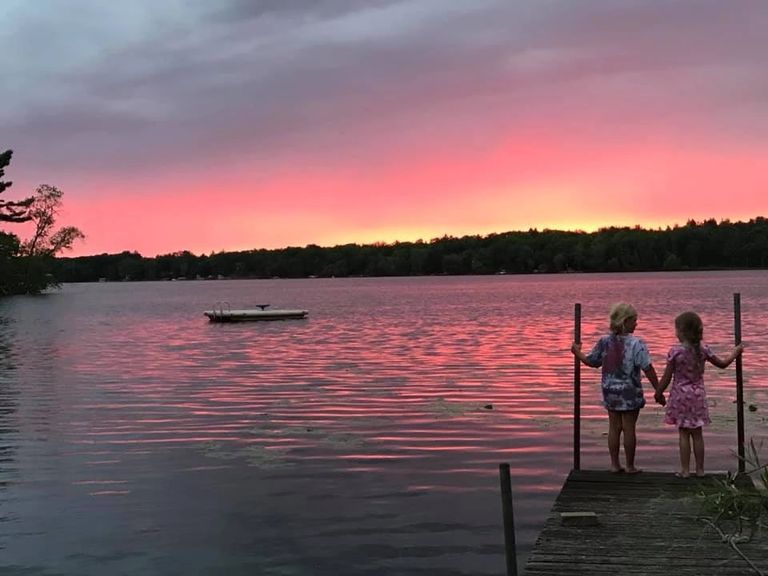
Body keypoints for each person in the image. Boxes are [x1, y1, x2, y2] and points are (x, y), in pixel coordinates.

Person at [571, 302, 660, 474]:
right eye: (634, 320)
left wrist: (578, 352)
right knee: (629, 428)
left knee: (613, 427)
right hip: (629, 393)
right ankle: (630, 466)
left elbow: (592, 361)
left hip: (610, 392)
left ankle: (614, 464)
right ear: (625, 322)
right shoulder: (636, 344)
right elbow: (647, 368)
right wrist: (658, 390)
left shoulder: (604, 342)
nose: (637, 324)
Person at [655, 311, 744, 478]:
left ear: (682, 332)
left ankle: (685, 470)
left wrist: (658, 392)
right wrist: (735, 352)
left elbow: (666, 377)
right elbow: (723, 364)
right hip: (697, 397)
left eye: (676, 330)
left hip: (680, 397)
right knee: (697, 434)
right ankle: (701, 470)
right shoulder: (704, 350)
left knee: (683, 434)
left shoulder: (675, 352)